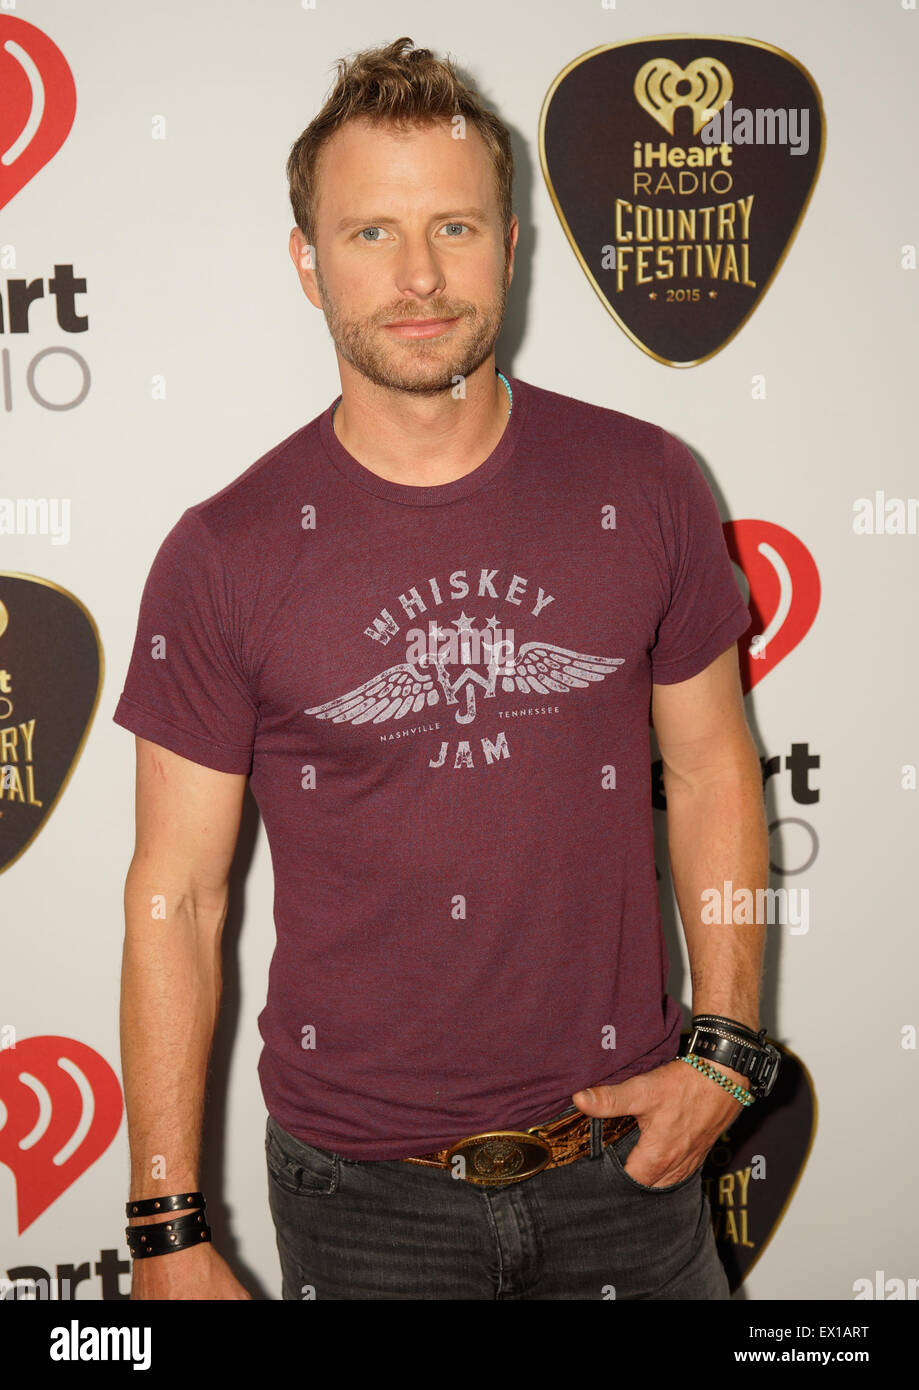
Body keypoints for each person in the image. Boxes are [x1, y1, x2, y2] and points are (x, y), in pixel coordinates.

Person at [114, 36, 773, 1301]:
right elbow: (176, 897)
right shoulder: (224, 553)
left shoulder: (644, 483)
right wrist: (164, 1223)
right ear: (306, 262)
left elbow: (709, 769)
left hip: (631, 1165)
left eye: (453, 227)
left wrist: (727, 1051)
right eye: (370, 233)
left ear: (509, 248)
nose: (417, 275)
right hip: (360, 1204)